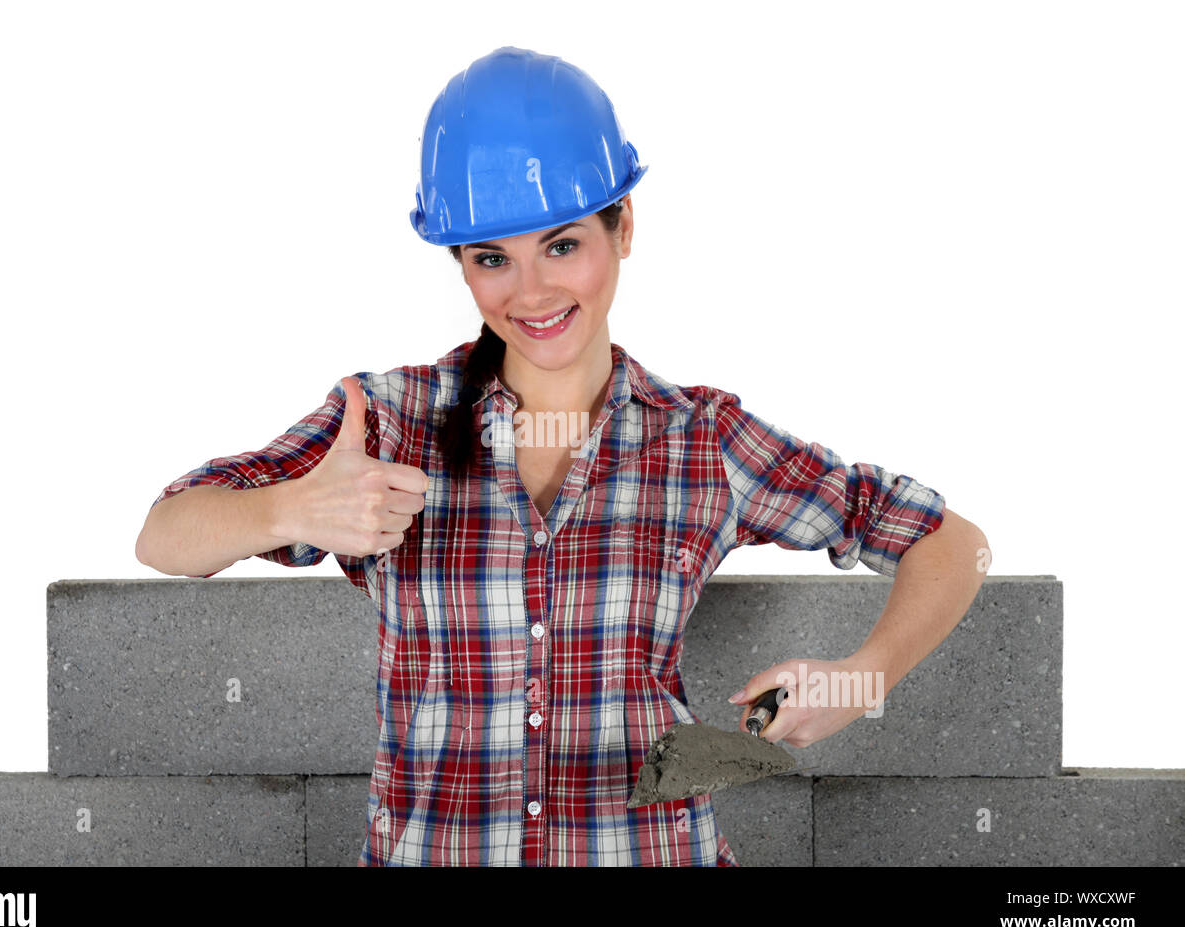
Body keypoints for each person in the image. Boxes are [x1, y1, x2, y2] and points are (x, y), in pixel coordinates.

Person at [136, 46, 989, 866]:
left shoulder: (700, 441)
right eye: (492, 258)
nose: (533, 292)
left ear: (624, 228)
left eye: (563, 244)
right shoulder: (388, 422)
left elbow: (951, 541)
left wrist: (857, 681)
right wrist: (291, 510)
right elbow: (164, 534)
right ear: (462, 266)